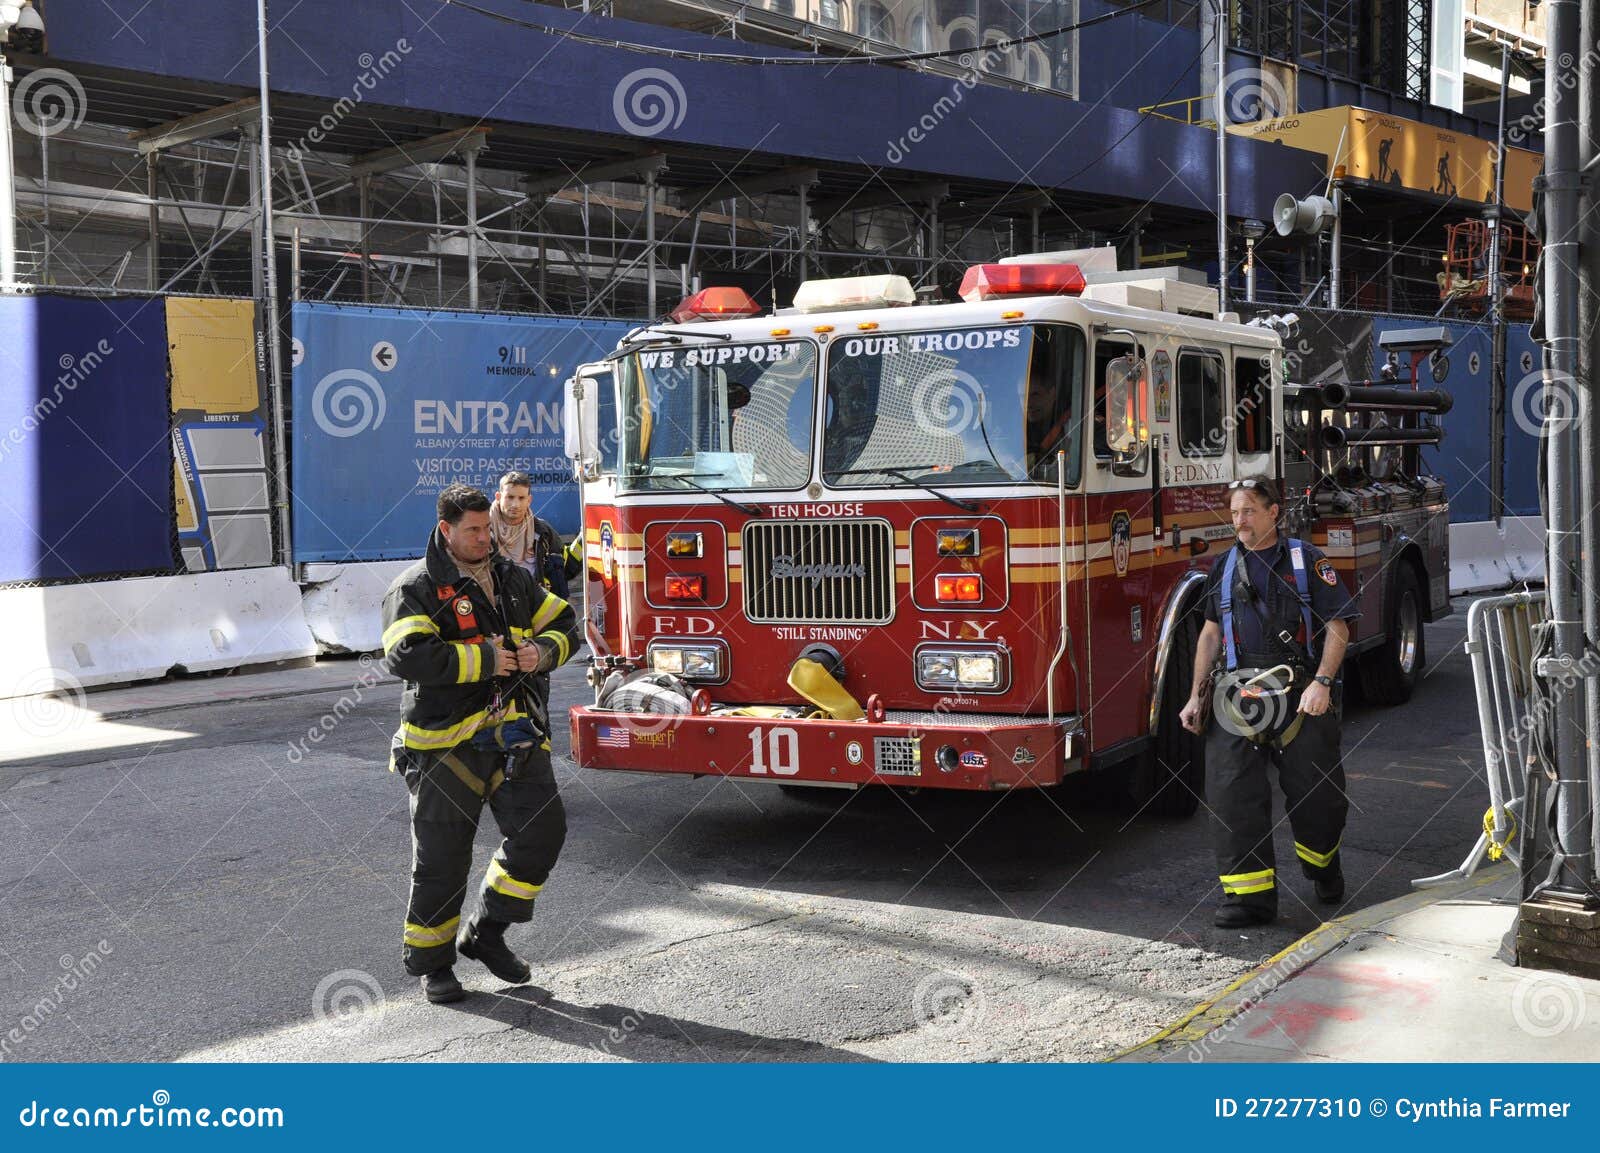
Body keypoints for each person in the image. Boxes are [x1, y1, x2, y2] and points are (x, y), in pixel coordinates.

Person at [381, 483, 582, 1003]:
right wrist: (488, 659)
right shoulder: (415, 587)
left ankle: (486, 932)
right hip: (443, 744)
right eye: (471, 530)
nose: (482, 538)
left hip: (513, 733)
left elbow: (564, 623)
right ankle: (433, 965)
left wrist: (541, 651)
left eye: (486, 529)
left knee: (542, 835)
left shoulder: (511, 577)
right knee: (442, 859)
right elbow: (408, 657)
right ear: (445, 529)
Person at [1178, 478, 1358, 928]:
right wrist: (1195, 696)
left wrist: (1322, 683)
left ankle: (1323, 867)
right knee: (1232, 794)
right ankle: (1249, 899)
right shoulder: (1223, 566)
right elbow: (1211, 633)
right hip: (1237, 697)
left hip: (1300, 695)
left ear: (1274, 513)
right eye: (1235, 513)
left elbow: (1339, 626)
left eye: (1250, 511)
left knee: (1318, 797)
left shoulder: (1306, 560)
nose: (1240, 521)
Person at [491, 470, 582, 599]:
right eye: (510, 497)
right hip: (498, 610)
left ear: (529, 500)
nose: (515, 504)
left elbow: (565, 567)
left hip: (536, 607)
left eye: (521, 498)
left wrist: (583, 539)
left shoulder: (542, 531)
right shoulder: (484, 531)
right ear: (498, 497)